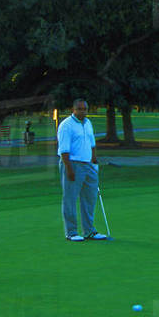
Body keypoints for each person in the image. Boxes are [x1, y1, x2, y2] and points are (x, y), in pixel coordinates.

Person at [57, 98, 107, 241]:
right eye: (80, 109)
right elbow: (64, 150)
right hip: (72, 164)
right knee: (70, 199)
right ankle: (71, 232)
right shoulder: (66, 125)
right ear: (73, 110)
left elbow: (92, 144)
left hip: (89, 165)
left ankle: (89, 231)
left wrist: (94, 160)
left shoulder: (88, 123)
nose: (83, 111)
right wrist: (69, 169)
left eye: (85, 109)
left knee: (89, 198)